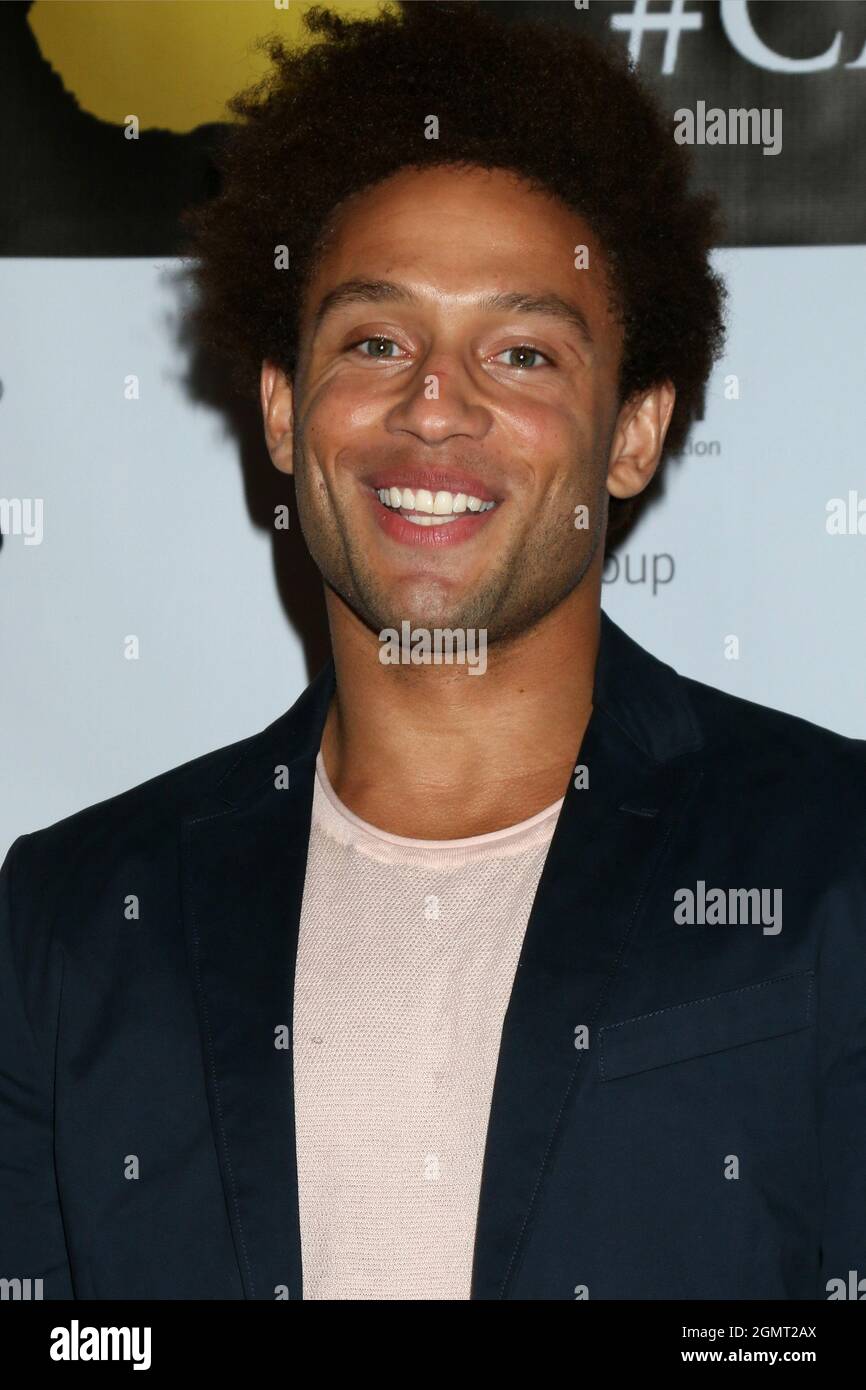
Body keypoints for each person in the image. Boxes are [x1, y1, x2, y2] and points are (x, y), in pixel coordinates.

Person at [2, 2, 863, 1301]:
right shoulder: (70, 922)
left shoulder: (833, 855)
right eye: (376, 340)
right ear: (286, 413)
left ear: (631, 432)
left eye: (519, 351)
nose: (433, 403)